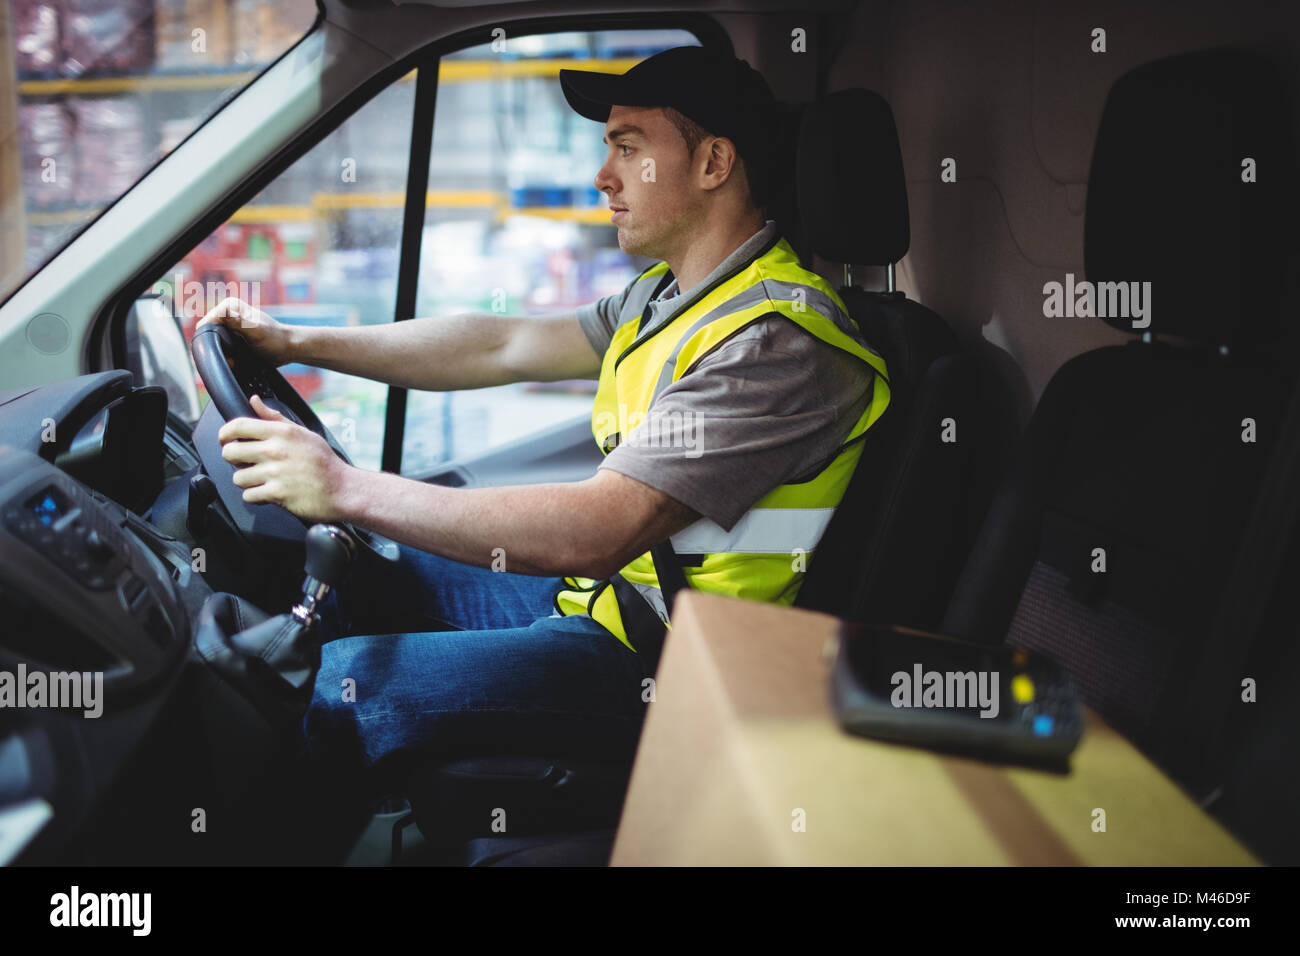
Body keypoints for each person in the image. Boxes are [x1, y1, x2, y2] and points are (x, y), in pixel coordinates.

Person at [196, 45, 890, 808]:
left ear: (714, 163)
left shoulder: (775, 340)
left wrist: (345, 487)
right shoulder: (668, 297)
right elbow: (502, 342)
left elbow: (598, 530)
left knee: (339, 689)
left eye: (629, 148)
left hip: (677, 664)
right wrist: (297, 343)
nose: (604, 176)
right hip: (614, 605)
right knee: (365, 568)